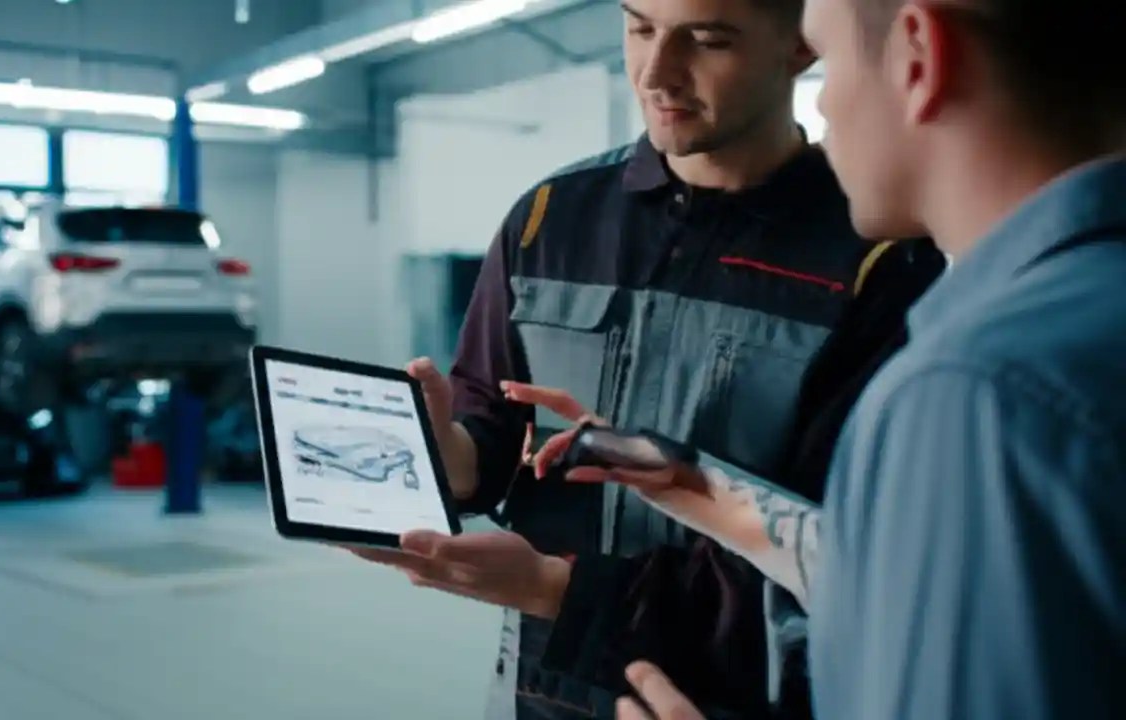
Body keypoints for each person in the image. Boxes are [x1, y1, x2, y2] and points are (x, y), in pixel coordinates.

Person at [517, 0, 1126, 717]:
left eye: (829, 61)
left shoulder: (976, 393)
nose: (828, 108)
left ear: (919, 57)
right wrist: (712, 492)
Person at [352, 0, 943, 718]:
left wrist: (562, 589)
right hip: (543, 684)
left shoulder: (872, 256)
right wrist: (450, 452)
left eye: (707, 39)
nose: (657, 74)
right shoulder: (549, 220)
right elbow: (491, 423)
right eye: (639, 29)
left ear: (801, 48)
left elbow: (849, 556)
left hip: (740, 697)